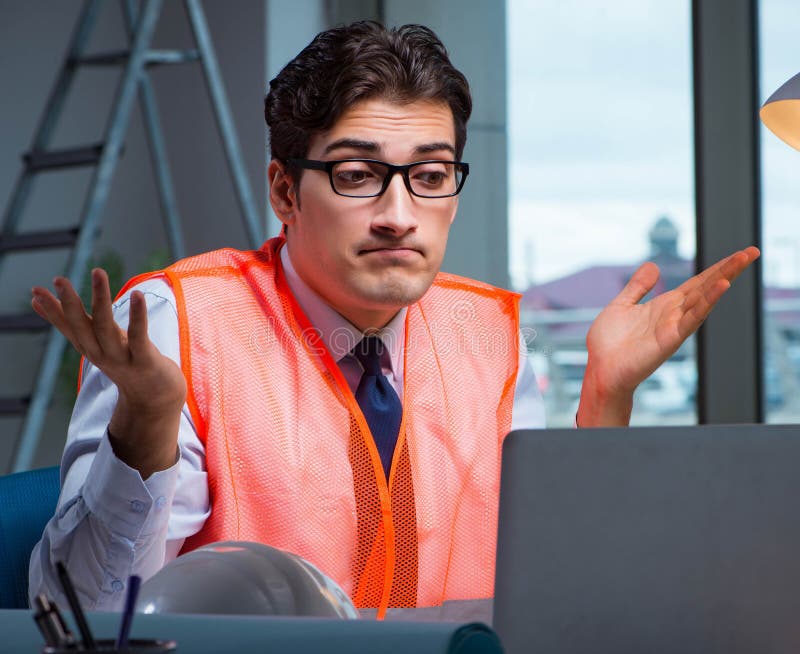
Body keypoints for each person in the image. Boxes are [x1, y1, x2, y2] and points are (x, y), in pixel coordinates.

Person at [27, 21, 758, 618]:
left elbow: (554, 596)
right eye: (356, 175)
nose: (399, 216)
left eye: (430, 177)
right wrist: (147, 423)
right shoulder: (174, 323)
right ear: (286, 190)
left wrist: (605, 400)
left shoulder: (489, 333)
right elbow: (82, 616)